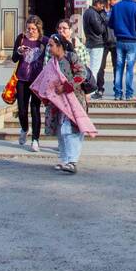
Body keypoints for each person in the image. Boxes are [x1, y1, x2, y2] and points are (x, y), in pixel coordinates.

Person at [32, 32, 98, 175]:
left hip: (73, 99)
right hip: (58, 103)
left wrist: (66, 87)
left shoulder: (71, 57)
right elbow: (44, 80)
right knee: (61, 131)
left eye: (51, 45)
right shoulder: (52, 63)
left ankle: (72, 161)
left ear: (59, 46)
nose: (49, 48)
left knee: (71, 130)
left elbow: (82, 74)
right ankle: (63, 159)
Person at [11, 16, 47, 151]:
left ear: (38, 29)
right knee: (22, 109)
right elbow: (14, 59)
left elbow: (57, 48)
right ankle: (25, 128)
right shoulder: (21, 38)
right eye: (29, 29)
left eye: (34, 29)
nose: (31, 31)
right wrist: (19, 51)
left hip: (37, 79)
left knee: (35, 109)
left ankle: (35, 140)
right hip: (22, 78)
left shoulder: (43, 41)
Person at [108, 0, 136, 101]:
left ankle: (118, 94)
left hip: (120, 41)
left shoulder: (116, 7)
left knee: (119, 67)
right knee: (129, 68)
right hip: (132, 41)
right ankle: (128, 94)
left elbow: (111, 24)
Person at [81, 0, 109, 101]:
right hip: (96, 44)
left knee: (90, 67)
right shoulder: (94, 14)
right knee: (94, 69)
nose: (102, 8)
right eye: (102, 6)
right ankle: (91, 91)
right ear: (97, 4)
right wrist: (104, 21)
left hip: (89, 42)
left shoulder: (87, 12)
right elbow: (99, 30)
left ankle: (88, 89)